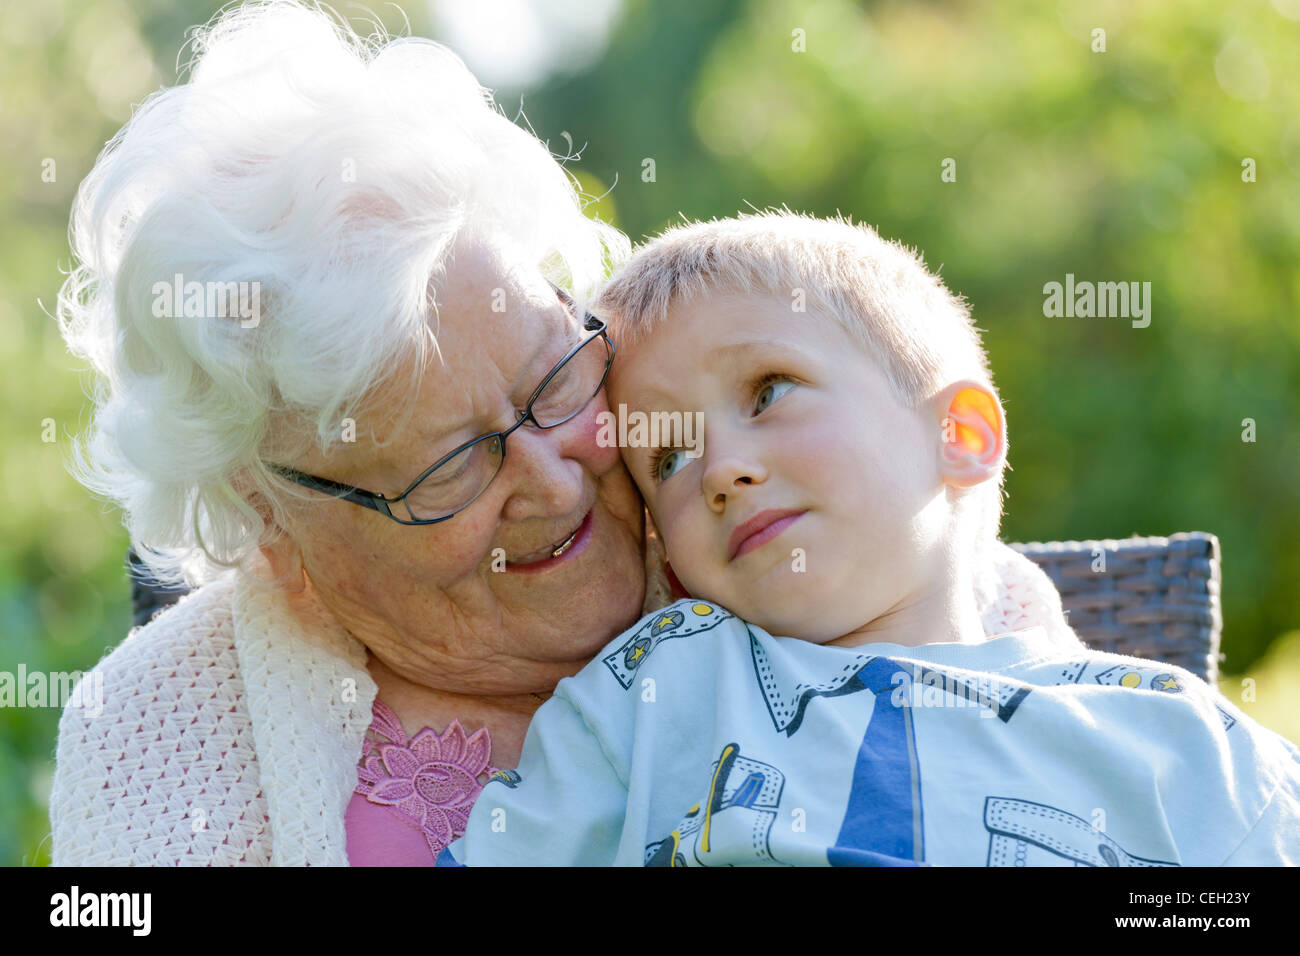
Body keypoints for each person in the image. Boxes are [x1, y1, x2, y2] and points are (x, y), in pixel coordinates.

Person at [46, 3, 1069, 866]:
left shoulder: (793, 539)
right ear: (274, 521)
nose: (553, 478)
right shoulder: (161, 728)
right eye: (449, 465)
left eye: (551, 381)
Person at [439, 213, 1300, 866]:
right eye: (667, 454)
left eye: (770, 390)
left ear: (957, 434)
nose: (720, 469)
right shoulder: (656, 692)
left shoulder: (1169, 741)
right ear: (670, 554)